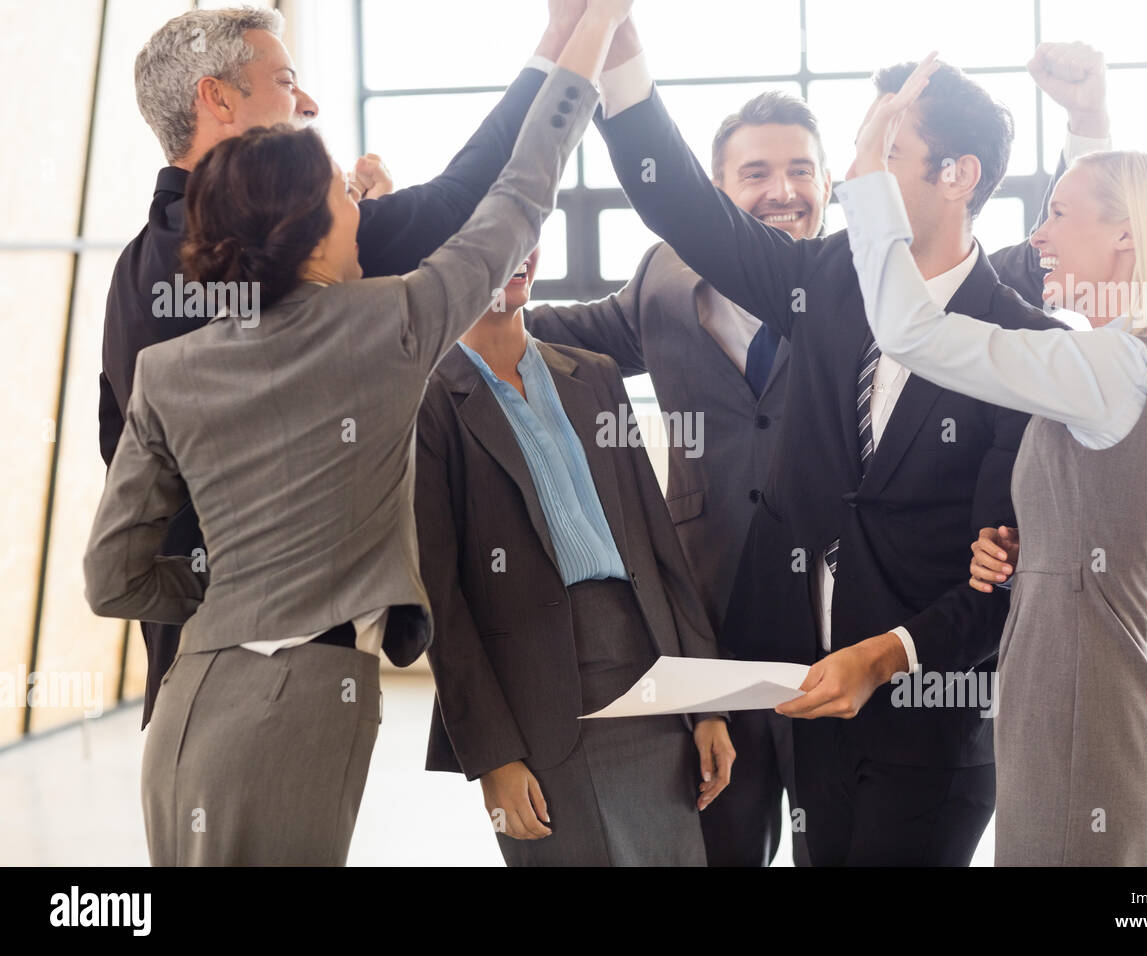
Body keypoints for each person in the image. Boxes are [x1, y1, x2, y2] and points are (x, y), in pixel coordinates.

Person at [81, 2, 626, 865]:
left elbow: (113, 570)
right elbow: (509, 198)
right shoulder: (385, 324)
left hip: (192, 699)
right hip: (296, 694)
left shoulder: (150, 314)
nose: (360, 206)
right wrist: (587, 38)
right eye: (344, 197)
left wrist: (220, 603)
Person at [591, 21, 1107, 866]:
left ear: (957, 176)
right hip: (805, 702)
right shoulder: (825, 277)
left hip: (928, 724)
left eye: (884, 148)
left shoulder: (1023, 346)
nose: (853, 172)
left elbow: (997, 580)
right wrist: (612, 40)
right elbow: (681, 202)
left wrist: (881, 659)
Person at [836, 54, 1147, 864]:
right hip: (1124, 711)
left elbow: (913, 333)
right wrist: (1042, 556)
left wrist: (866, 177)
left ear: (1125, 236)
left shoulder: (1114, 368)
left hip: (1081, 720)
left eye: (1057, 214)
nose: (1038, 235)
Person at [523, 87, 830, 867]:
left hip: (836, 613)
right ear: (715, 193)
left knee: (839, 835)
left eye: (802, 169)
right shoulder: (664, 271)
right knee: (721, 835)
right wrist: (446, 295)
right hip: (709, 605)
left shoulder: (860, 280)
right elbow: (579, 335)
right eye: (756, 172)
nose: (782, 191)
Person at [415, 244, 733, 866]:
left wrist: (706, 704)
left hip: (650, 677)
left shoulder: (596, 374)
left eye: (529, 229)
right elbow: (438, 598)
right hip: (533, 700)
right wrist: (493, 757)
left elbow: (658, 543)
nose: (517, 250)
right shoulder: (424, 402)